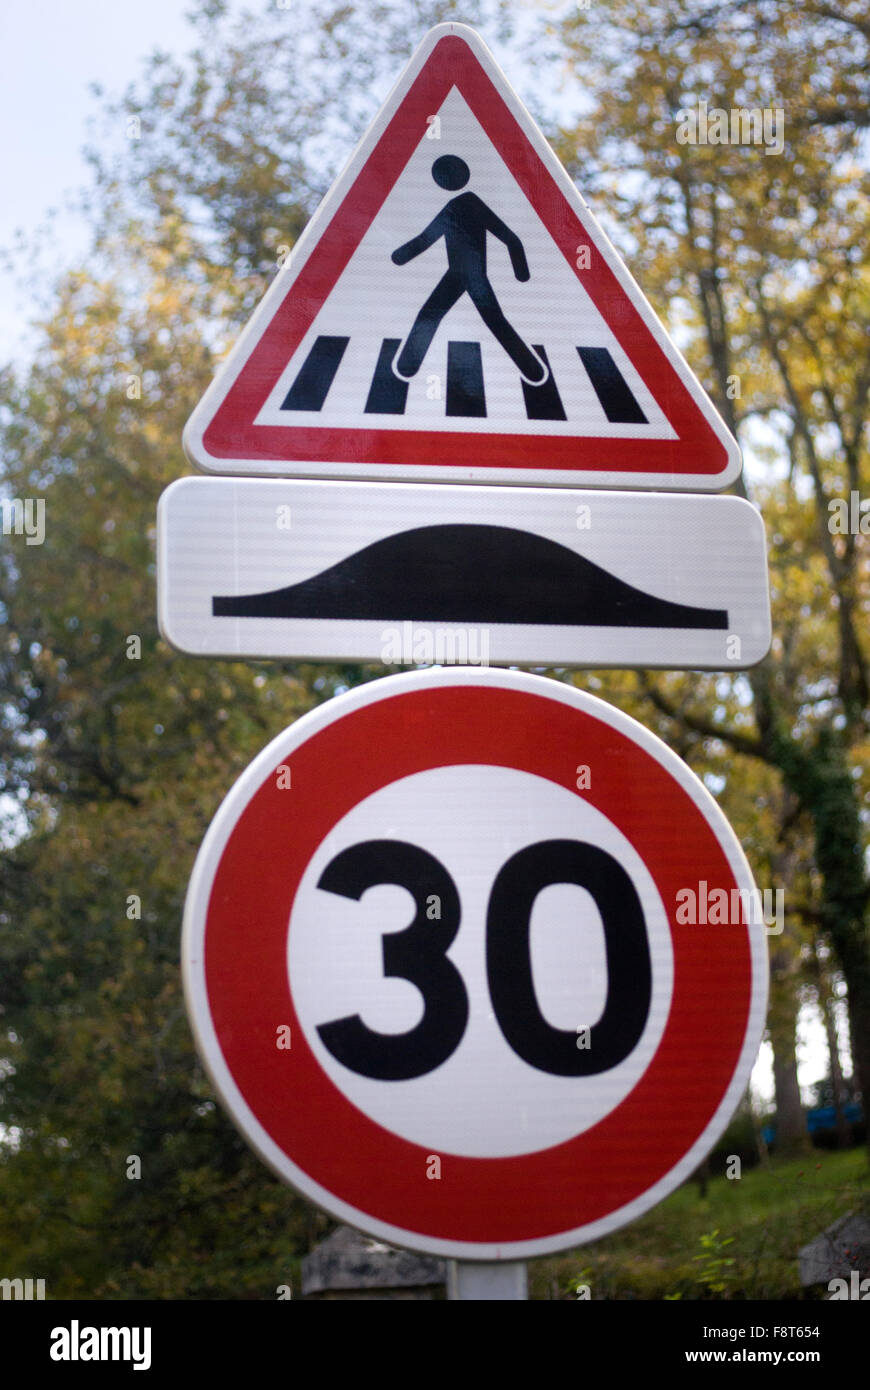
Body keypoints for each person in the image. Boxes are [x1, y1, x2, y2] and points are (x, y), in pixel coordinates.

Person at [391, 155, 547, 385]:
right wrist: (399, 257)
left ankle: (533, 370)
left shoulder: (469, 203)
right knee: (433, 314)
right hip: (455, 275)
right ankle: (406, 367)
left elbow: (509, 237)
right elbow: (426, 238)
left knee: (489, 320)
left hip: (474, 276)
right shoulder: (454, 207)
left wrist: (521, 271)